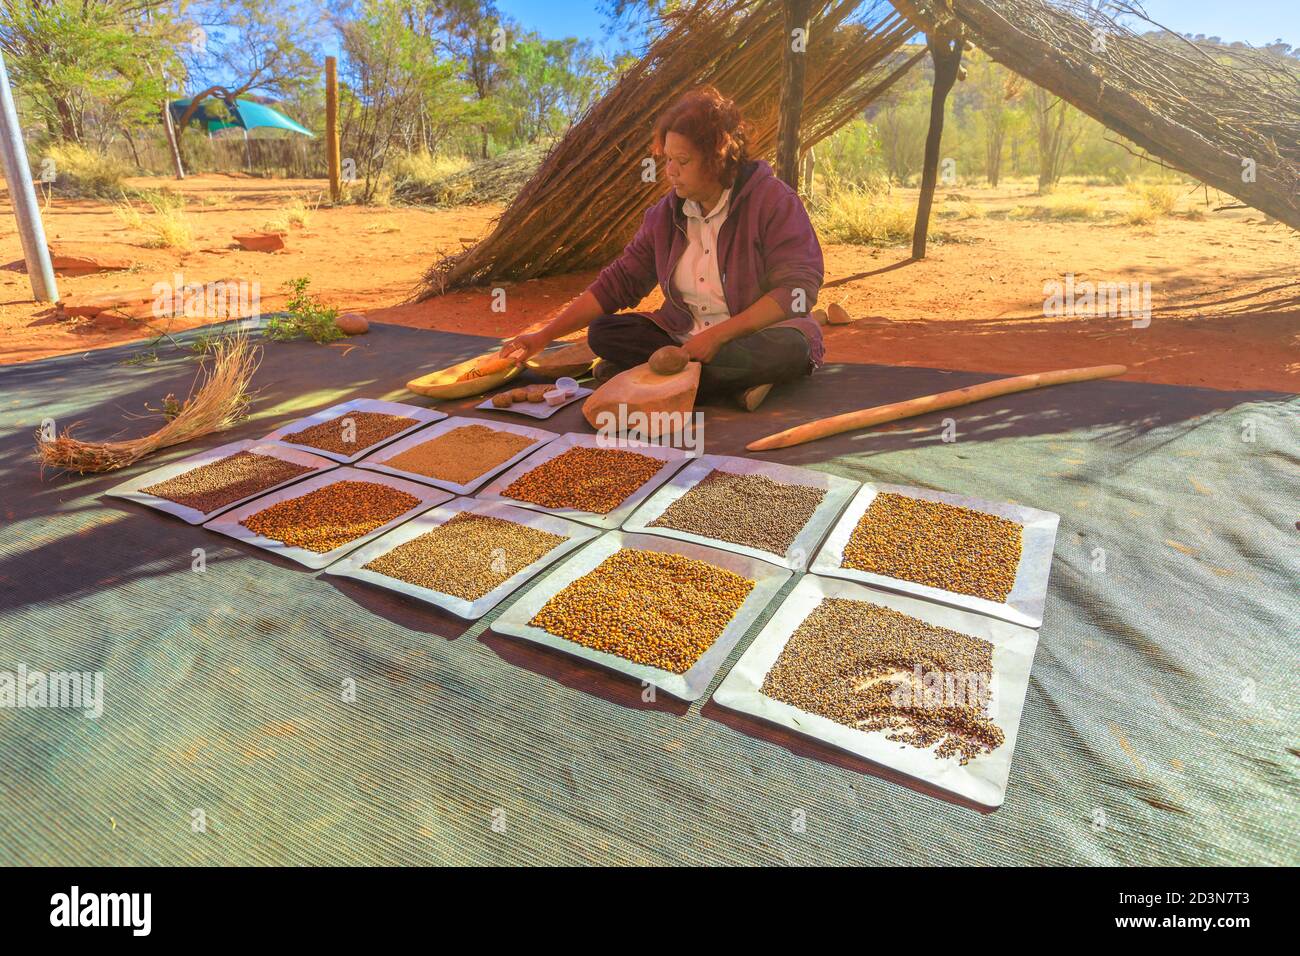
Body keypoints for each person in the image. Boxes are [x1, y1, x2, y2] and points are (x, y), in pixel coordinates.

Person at [499, 85, 825, 407]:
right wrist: (542, 336)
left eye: (682, 160)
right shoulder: (665, 216)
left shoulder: (772, 201)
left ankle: (669, 378)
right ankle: (726, 384)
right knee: (603, 333)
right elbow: (618, 282)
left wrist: (720, 334)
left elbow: (797, 290)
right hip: (682, 339)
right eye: (668, 159)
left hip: (752, 339)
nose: (670, 171)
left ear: (718, 157)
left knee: (790, 350)